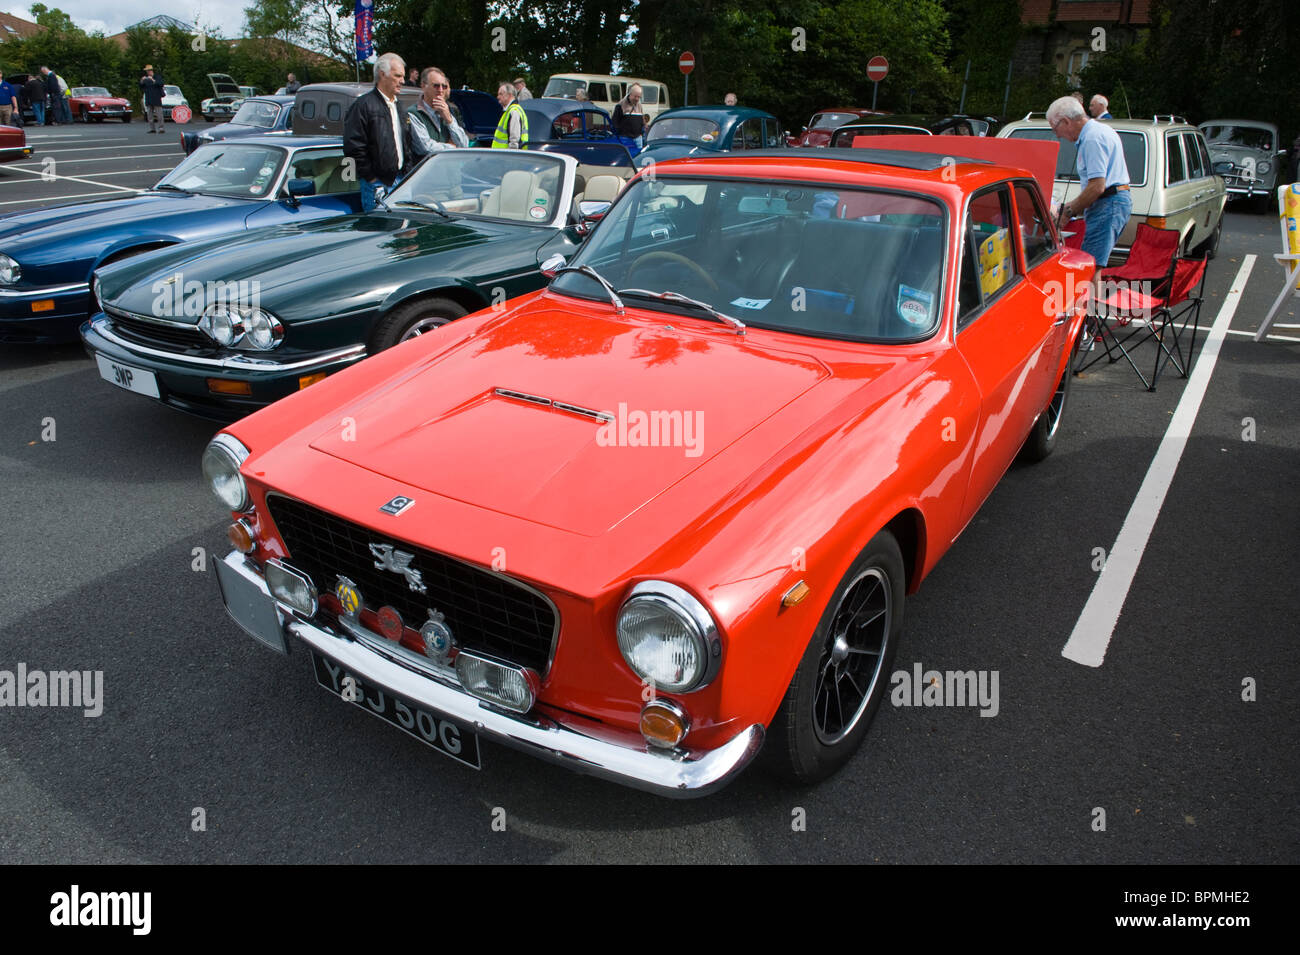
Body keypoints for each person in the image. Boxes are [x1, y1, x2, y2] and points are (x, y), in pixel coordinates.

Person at [1048, 95, 1131, 344]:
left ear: (1065, 121)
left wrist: (1068, 211)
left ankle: (1085, 328)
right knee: (1092, 267)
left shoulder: (1092, 138)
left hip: (1109, 204)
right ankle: (1086, 326)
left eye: (1056, 129)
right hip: (1110, 203)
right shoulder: (1096, 133)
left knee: (1091, 269)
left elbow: (1097, 186)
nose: (1057, 136)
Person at [344, 52, 408, 212]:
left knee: (402, 233)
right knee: (381, 233)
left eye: (403, 76)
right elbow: (353, 147)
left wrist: (409, 172)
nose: (403, 81)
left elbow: (406, 144)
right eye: (398, 76)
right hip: (377, 184)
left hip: (402, 181)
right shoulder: (363, 106)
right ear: (382, 74)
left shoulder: (399, 107)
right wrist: (371, 178)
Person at [406, 66, 468, 159]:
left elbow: (464, 144)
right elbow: (425, 148)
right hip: (425, 171)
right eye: (436, 86)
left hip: (448, 169)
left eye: (444, 86)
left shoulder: (447, 112)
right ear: (423, 86)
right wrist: (452, 147)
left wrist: (449, 120)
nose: (441, 90)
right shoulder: (414, 113)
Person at [492, 82, 528, 148]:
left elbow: (514, 140)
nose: (498, 97)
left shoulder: (514, 111)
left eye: (500, 94)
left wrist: (511, 156)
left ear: (509, 95)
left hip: (507, 156)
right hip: (504, 155)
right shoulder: (510, 111)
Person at [140, 65, 166, 133]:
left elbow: (161, 84)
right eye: (147, 71)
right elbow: (141, 86)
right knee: (150, 115)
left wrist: (152, 80)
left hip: (156, 98)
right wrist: (142, 81)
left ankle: (161, 128)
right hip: (149, 98)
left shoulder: (157, 77)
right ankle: (152, 129)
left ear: (151, 70)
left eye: (148, 71)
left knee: (159, 114)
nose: (147, 72)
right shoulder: (146, 79)